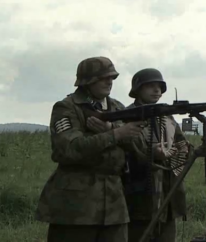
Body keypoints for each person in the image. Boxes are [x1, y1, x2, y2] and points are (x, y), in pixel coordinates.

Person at [36, 56, 145, 242]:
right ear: (87, 81)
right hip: (76, 204)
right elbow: (69, 148)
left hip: (114, 203)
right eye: (103, 77)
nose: (109, 81)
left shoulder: (118, 107)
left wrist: (113, 130)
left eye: (112, 77)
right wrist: (115, 135)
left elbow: (140, 146)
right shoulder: (67, 107)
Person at [124, 68, 189, 242]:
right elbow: (127, 150)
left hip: (167, 195)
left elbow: (182, 144)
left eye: (159, 87)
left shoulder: (166, 117)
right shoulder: (126, 116)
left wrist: (179, 152)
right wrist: (152, 154)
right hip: (139, 192)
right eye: (150, 86)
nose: (156, 91)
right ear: (138, 89)